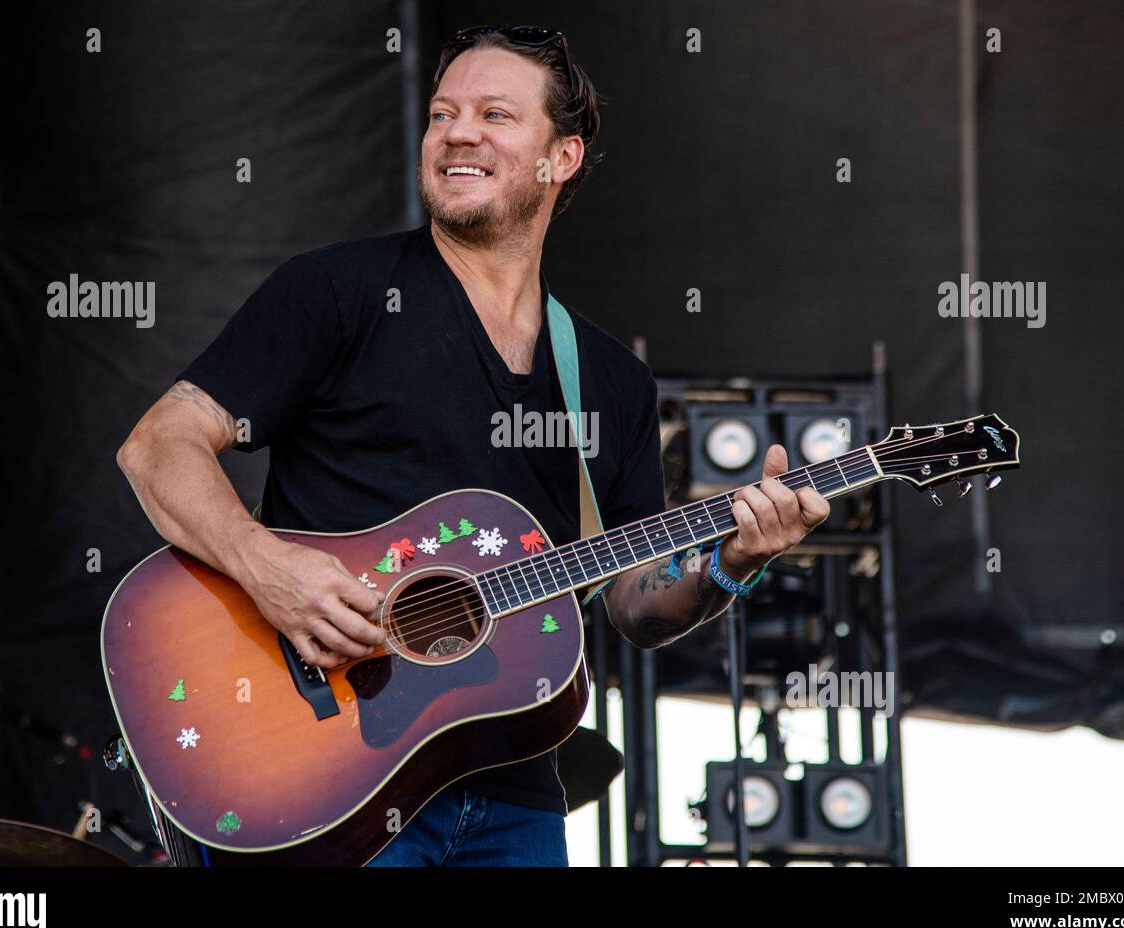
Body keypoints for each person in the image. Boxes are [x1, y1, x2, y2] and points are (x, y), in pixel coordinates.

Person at [116, 24, 829, 867]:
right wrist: (266, 566)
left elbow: (637, 603)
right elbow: (158, 444)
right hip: (327, 781)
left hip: (515, 795)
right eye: (443, 114)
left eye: (495, 114)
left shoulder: (606, 378)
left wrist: (731, 563)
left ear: (560, 159)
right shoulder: (338, 292)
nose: (458, 132)